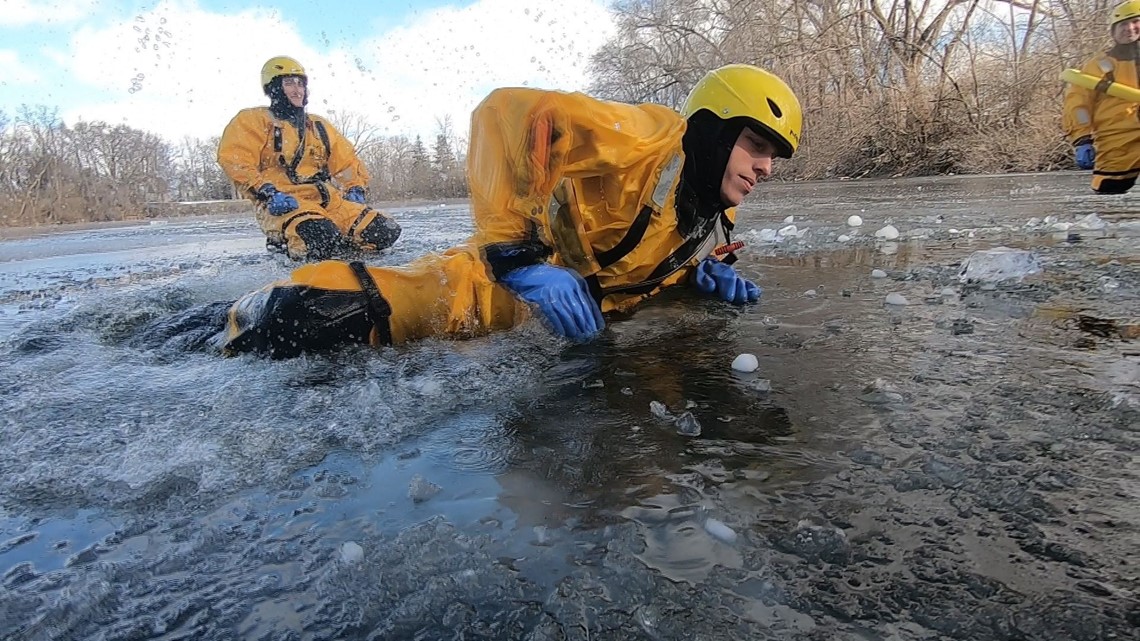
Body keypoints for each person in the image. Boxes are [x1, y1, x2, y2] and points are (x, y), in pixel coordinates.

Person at [221, 64, 802, 358]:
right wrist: (515, 255)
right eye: (756, 145)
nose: (765, 167)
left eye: (774, 156)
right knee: (311, 314)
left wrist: (694, 275)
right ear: (712, 131)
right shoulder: (646, 137)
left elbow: (646, 262)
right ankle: (209, 325)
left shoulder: (714, 210)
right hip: (500, 283)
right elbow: (508, 115)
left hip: (561, 316)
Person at [217, 56, 402, 260]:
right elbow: (236, 160)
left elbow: (346, 161)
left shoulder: (318, 126)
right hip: (282, 203)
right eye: (288, 83)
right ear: (274, 88)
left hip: (329, 201)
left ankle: (353, 266)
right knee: (319, 236)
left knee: (384, 230)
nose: (297, 90)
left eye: (300, 84)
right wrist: (266, 192)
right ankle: (294, 255)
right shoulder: (252, 120)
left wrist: (355, 187)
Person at [1062, 0, 1140, 194]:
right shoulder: (1099, 65)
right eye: (1123, 24)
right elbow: (1078, 105)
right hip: (1117, 142)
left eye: (1136, 21)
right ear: (1113, 31)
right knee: (1108, 194)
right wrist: (1082, 139)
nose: (1129, 28)